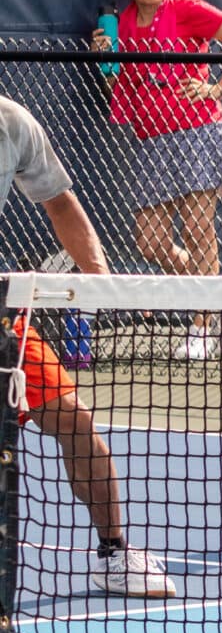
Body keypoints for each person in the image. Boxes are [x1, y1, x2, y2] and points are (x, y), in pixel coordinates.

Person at [0, 94, 177, 597]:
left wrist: (101, 280)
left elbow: (59, 202)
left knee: (74, 420)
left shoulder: (13, 122)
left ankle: (113, 555)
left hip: (1, 314)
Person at [91, 0, 222, 361]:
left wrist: (217, 88)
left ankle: (203, 325)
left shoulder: (187, 9)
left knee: (197, 228)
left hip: (198, 131)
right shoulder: (122, 26)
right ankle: (217, 300)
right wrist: (104, 61)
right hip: (151, 139)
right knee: (149, 243)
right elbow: (119, 90)